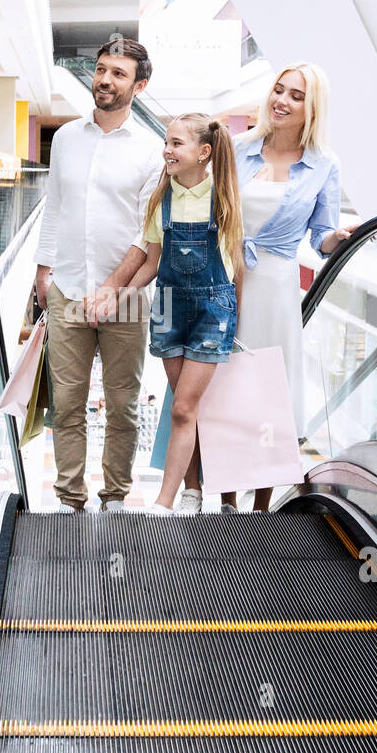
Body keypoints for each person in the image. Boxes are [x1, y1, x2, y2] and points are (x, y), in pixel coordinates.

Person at [35, 38, 163, 512]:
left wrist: (114, 288)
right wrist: (43, 269)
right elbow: (55, 206)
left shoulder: (151, 150)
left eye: (118, 74)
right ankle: (70, 499)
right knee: (66, 404)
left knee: (123, 405)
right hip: (68, 288)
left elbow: (147, 233)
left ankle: (115, 498)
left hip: (125, 298)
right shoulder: (66, 138)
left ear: (139, 86)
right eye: (102, 69)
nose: (105, 80)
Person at [220, 63, 354, 513]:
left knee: (268, 393)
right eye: (279, 90)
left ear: (312, 108)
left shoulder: (325, 165)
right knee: (226, 385)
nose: (282, 101)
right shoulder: (238, 148)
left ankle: (260, 508)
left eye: (296, 96)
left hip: (276, 288)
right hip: (227, 277)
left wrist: (338, 239)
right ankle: (225, 503)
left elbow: (322, 237)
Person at [125, 113, 244, 514]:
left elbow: (236, 266)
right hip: (168, 307)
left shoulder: (223, 199)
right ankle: (192, 490)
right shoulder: (161, 200)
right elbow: (152, 263)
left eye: (176, 143)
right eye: (167, 142)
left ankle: (165, 501)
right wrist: (121, 294)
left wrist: (236, 319)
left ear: (204, 152)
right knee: (184, 408)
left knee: (182, 408)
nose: (167, 150)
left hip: (213, 310)